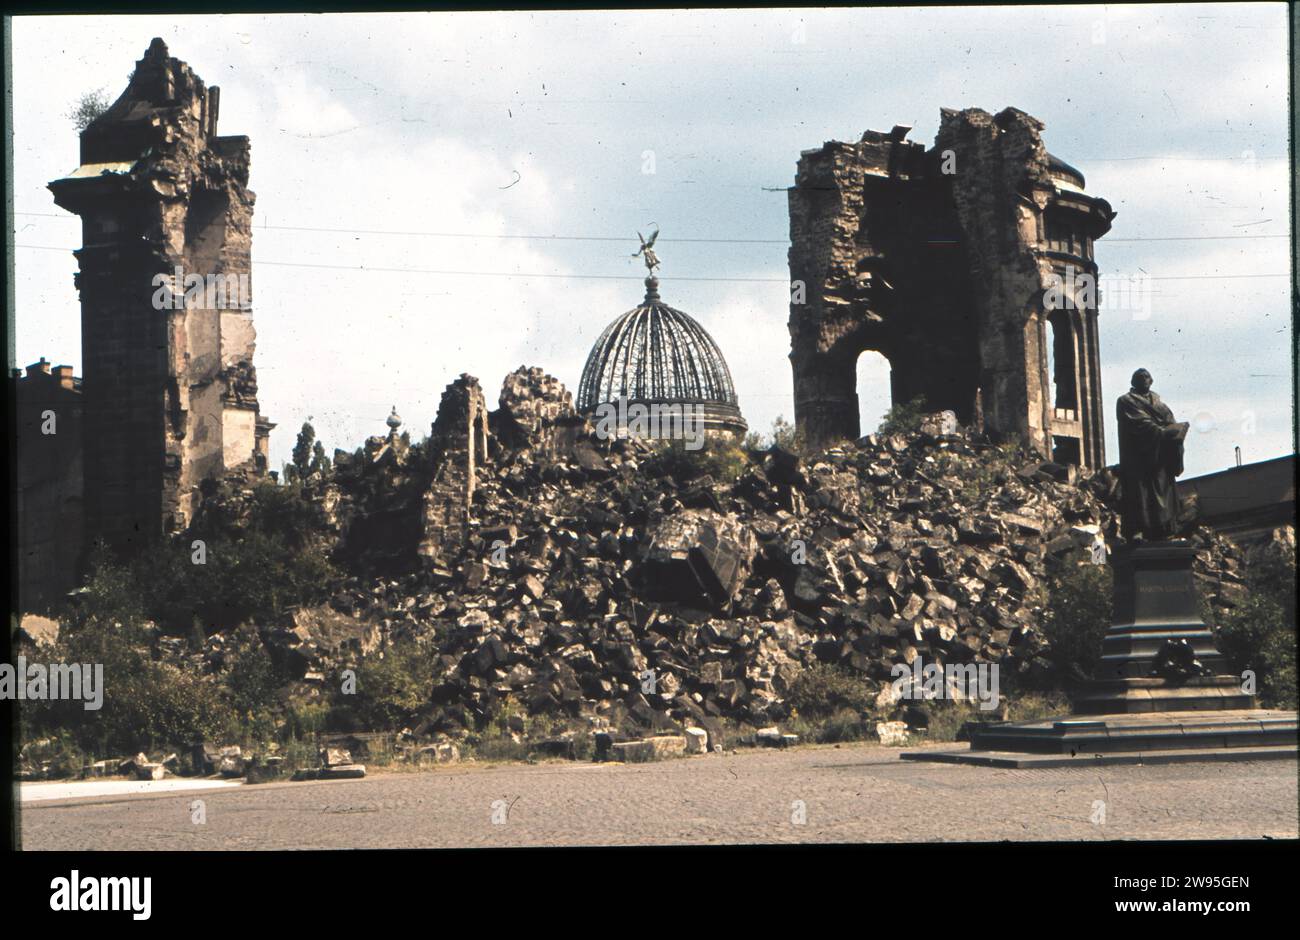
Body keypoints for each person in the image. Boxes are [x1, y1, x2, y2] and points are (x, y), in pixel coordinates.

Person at [1116, 368, 1189, 541]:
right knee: (1140, 494)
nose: (1144, 380)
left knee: (1163, 493)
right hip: (1139, 457)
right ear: (1133, 382)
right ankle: (1139, 530)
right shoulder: (1125, 400)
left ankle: (1163, 530)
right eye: (1140, 378)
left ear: (1152, 381)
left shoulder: (1159, 403)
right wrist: (1161, 432)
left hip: (1160, 458)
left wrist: (1176, 434)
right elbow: (1138, 422)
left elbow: (1170, 421)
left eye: (1147, 377)